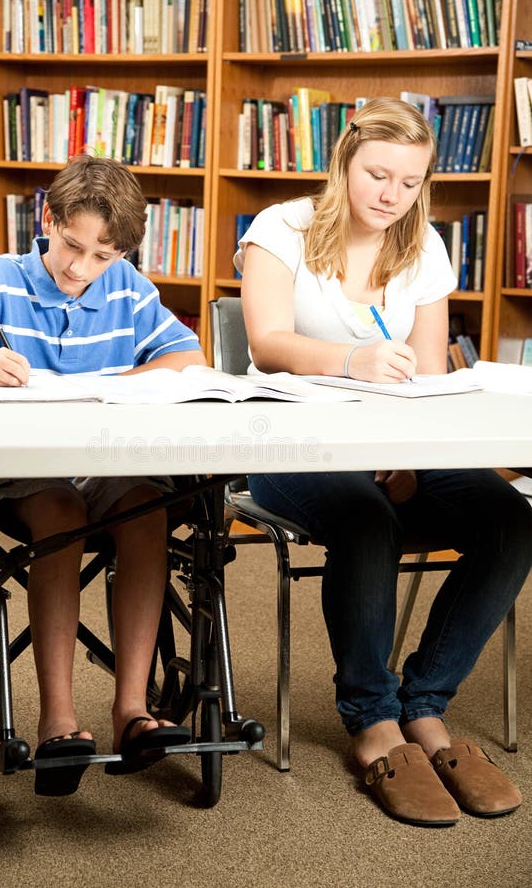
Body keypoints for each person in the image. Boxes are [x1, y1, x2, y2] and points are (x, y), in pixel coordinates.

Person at [234, 97, 532, 826]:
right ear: (343, 162)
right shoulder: (282, 227)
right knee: (367, 523)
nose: (389, 195)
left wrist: (405, 450)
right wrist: (351, 359)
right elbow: (268, 342)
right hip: (290, 439)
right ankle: (372, 722)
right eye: (375, 174)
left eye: (407, 183)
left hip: (392, 443)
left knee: (510, 521)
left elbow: (428, 372)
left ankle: (424, 706)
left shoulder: (423, 245)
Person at [0, 154, 207, 795]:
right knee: (62, 517)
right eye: (72, 245)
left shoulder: (127, 288)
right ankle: (58, 718)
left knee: (146, 510)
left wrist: (131, 380)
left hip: (98, 462)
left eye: (101, 256)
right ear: (48, 218)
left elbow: (188, 355)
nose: (81, 268)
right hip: (20, 477)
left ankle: (132, 708)